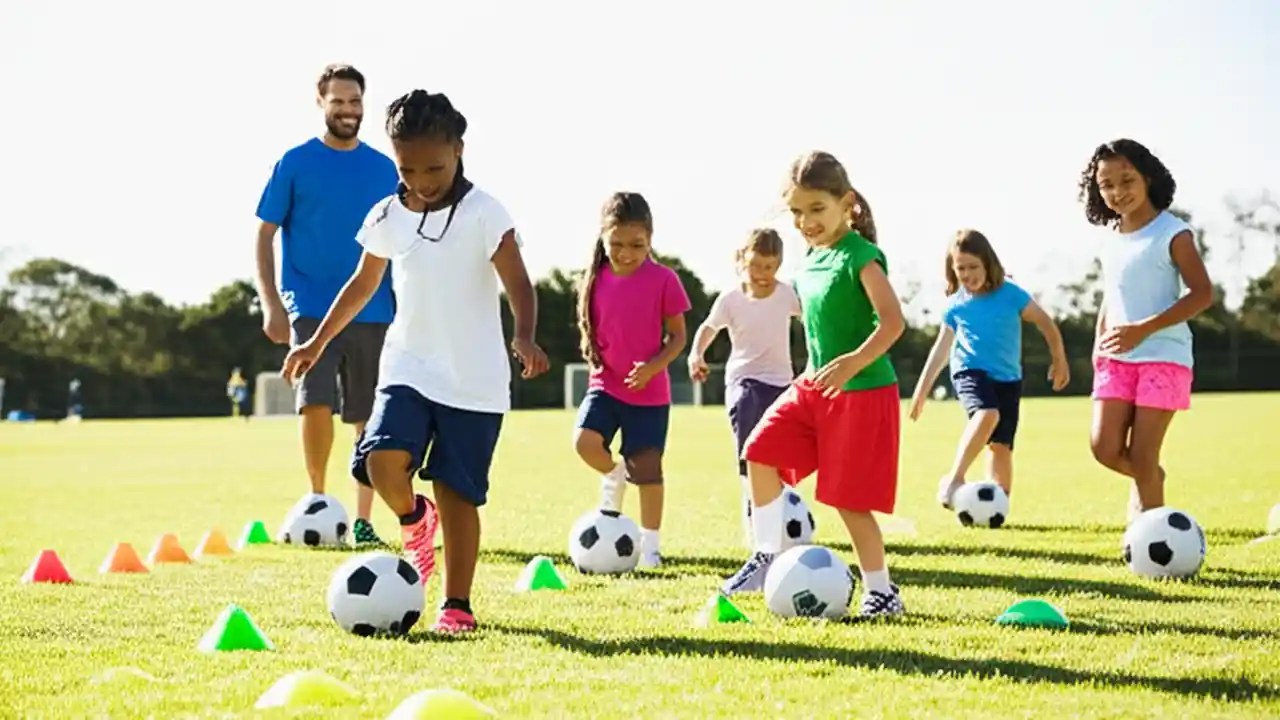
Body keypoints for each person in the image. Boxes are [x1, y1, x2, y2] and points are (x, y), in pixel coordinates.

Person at [282, 89, 548, 634]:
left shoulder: (483, 212)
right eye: (408, 168)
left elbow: (518, 283)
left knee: (457, 492)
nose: (423, 180)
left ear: (459, 150)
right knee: (380, 460)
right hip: (408, 367)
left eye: (435, 166)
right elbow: (361, 286)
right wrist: (316, 343)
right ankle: (412, 518)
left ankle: (457, 604)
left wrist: (524, 335)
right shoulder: (387, 214)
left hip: (473, 380)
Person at [721, 151, 907, 619]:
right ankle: (766, 556)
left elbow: (893, 323)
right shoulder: (810, 258)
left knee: (848, 501)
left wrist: (852, 362)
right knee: (758, 451)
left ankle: (883, 592)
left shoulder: (861, 256)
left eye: (816, 210)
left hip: (862, 391)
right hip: (813, 388)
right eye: (797, 212)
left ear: (847, 204)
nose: (806, 222)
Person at [254, 63, 398, 548]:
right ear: (321, 103)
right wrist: (270, 302)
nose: (348, 111)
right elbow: (264, 233)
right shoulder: (294, 163)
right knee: (314, 401)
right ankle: (317, 501)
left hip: (375, 309)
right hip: (311, 305)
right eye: (338, 102)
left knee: (367, 415)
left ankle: (361, 520)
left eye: (355, 102)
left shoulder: (385, 169)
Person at [1077, 139, 1213, 522]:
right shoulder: (1110, 239)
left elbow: (1202, 294)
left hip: (1164, 356)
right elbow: (1112, 296)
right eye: (1106, 185)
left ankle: (1153, 532)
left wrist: (1144, 329)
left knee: (1141, 455)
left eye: (1127, 180)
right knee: (1104, 448)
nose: (1117, 192)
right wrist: (1098, 344)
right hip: (1116, 359)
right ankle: (1152, 479)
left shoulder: (1173, 232)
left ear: (1147, 178)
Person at [909, 229, 1070, 507]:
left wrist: (1059, 359)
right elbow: (940, 350)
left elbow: (1045, 322)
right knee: (987, 414)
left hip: (1009, 378)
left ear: (988, 263)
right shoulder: (956, 305)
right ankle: (955, 479)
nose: (967, 274)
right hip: (970, 371)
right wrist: (921, 391)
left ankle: (997, 504)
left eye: (973, 267)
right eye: (961, 268)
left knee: (1001, 447)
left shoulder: (1011, 295)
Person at [573, 192, 691, 569]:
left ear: (650, 239)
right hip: (605, 386)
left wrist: (653, 368)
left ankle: (651, 548)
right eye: (617, 244)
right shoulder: (594, 279)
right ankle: (614, 474)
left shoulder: (664, 279)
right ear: (602, 239)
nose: (626, 253)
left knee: (649, 473)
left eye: (636, 245)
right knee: (584, 443)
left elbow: (678, 337)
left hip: (649, 394)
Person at [689, 229, 800, 546]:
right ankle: (756, 531)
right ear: (740, 260)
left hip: (782, 386)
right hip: (745, 382)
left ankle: (781, 524)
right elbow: (708, 328)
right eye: (755, 265)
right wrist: (697, 354)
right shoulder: (731, 299)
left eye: (770, 266)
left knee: (779, 460)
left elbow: (815, 317)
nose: (763, 274)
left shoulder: (787, 294)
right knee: (751, 458)